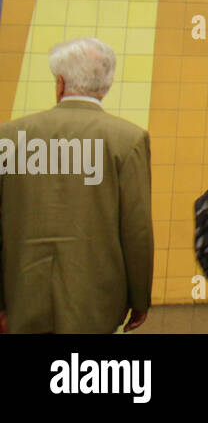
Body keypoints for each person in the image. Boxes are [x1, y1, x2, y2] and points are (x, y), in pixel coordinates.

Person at [0, 38, 152, 334]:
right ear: (105, 86)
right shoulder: (128, 140)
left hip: (22, 296)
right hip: (96, 302)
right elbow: (137, 230)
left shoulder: (8, 137)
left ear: (60, 83)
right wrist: (139, 297)